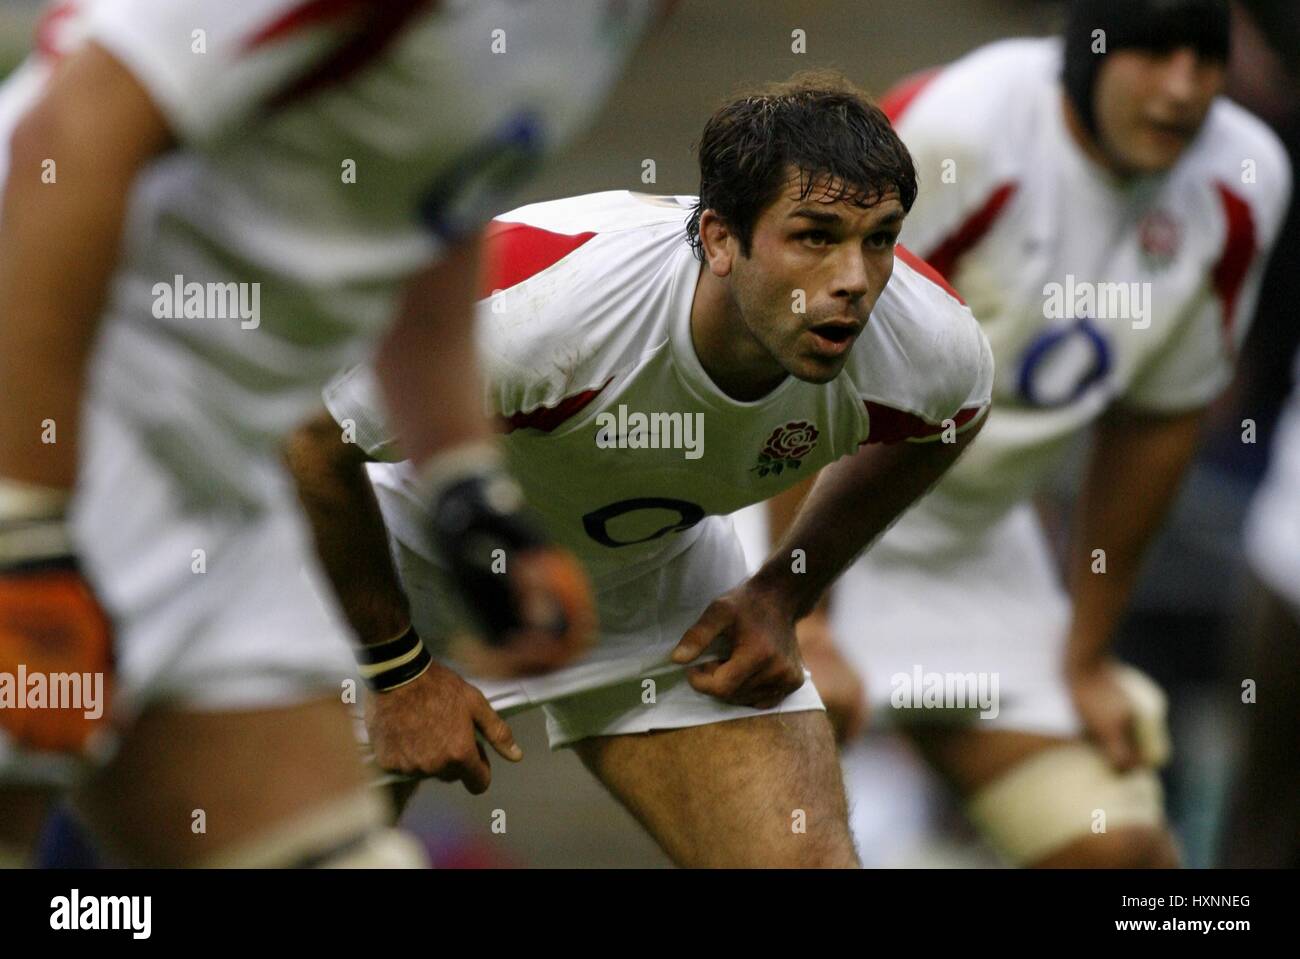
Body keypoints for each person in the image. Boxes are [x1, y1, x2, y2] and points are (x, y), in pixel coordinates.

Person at [0, 0, 659, 868]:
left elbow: (433, 203)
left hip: (213, 457)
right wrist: (26, 516)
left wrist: (466, 482)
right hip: (54, 398)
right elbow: (74, 128)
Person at [288, 72, 995, 868]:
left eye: (880, 238)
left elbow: (952, 421)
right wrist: (396, 669)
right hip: (398, 574)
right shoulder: (543, 306)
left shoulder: (927, 343)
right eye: (814, 235)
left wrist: (784, 594)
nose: (855, 281)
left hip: (659, 595)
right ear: (722, 238)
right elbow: (309, 441)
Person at [747, 0, 1291, 868]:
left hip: (969, 540)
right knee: (795, 852)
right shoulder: (961, 128)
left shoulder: (1243, 177)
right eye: (1152, 54)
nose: (1182, 89)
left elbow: (1157, 424)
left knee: (1125, 857)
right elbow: (790, 355)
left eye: (1205, 59)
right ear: (1085, 48)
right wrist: (799, 615)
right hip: (778, 512)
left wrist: (1085, 653)